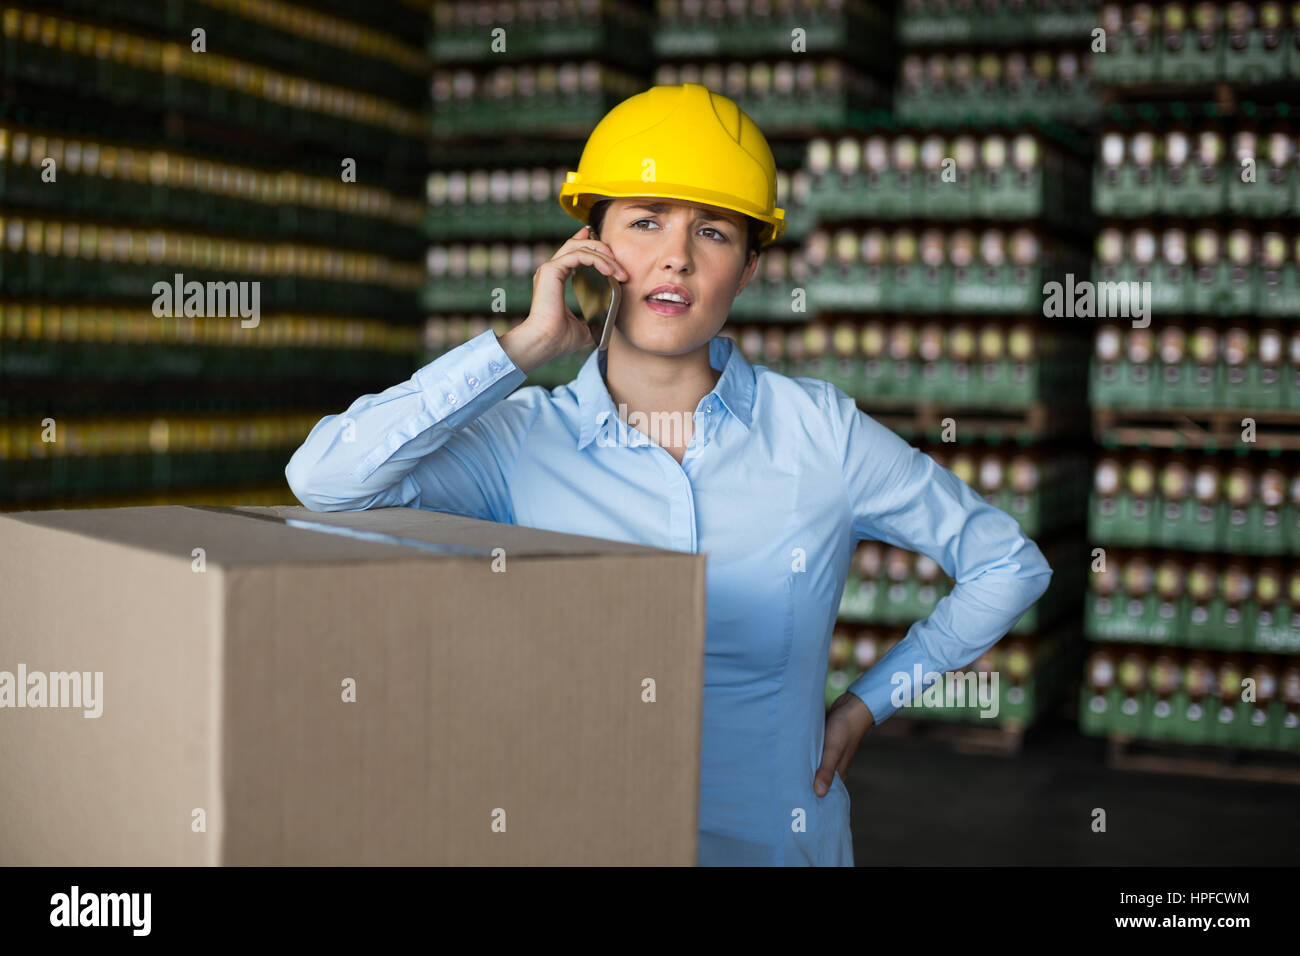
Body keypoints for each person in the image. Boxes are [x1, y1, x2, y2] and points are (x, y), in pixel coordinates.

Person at [284, 82, 1054, 866]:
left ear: (750, 269)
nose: (676, 256)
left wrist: (863, 708)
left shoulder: (819, 434)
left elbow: (1006, 563)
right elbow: (328, 479)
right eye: (646, 222)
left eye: (713, 232)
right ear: (592, 247)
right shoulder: (522, 442)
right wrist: (521, 347)